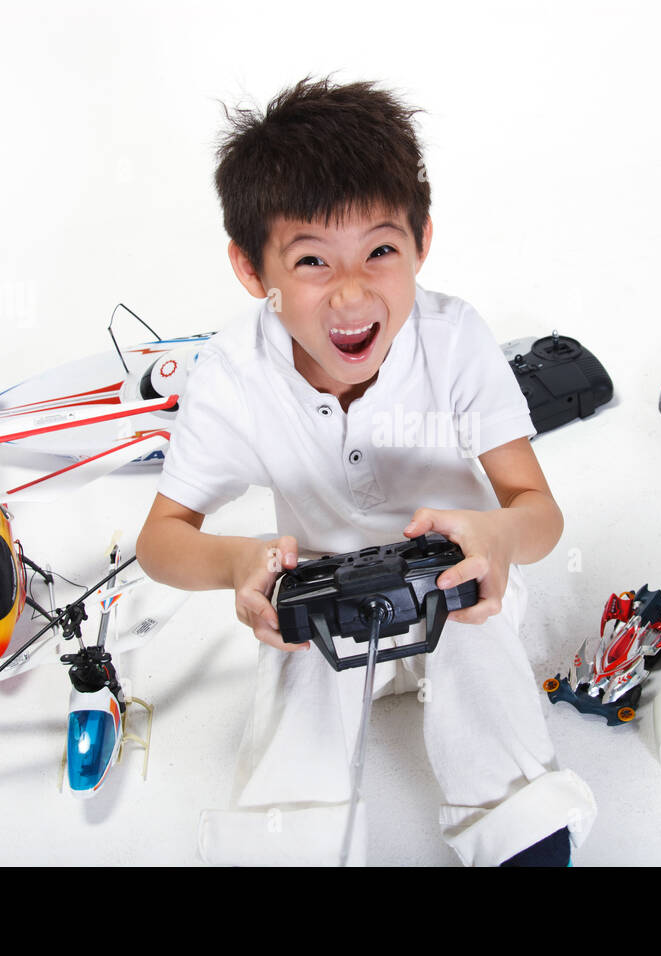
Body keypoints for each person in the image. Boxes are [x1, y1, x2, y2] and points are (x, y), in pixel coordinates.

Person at [135, 77, 595, 866]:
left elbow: (537, 512)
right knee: (298, 672)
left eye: (381, 250)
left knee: (477, 650)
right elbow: (161, 541)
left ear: (422, 242)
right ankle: (288, 844)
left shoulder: (454, 338)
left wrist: (496, 534)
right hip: (326, 593)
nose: (352, 294)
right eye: (311, 261)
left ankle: (520, 835)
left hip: (456, 579)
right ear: (253, 271)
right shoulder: (233, 372)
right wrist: (241, 562)